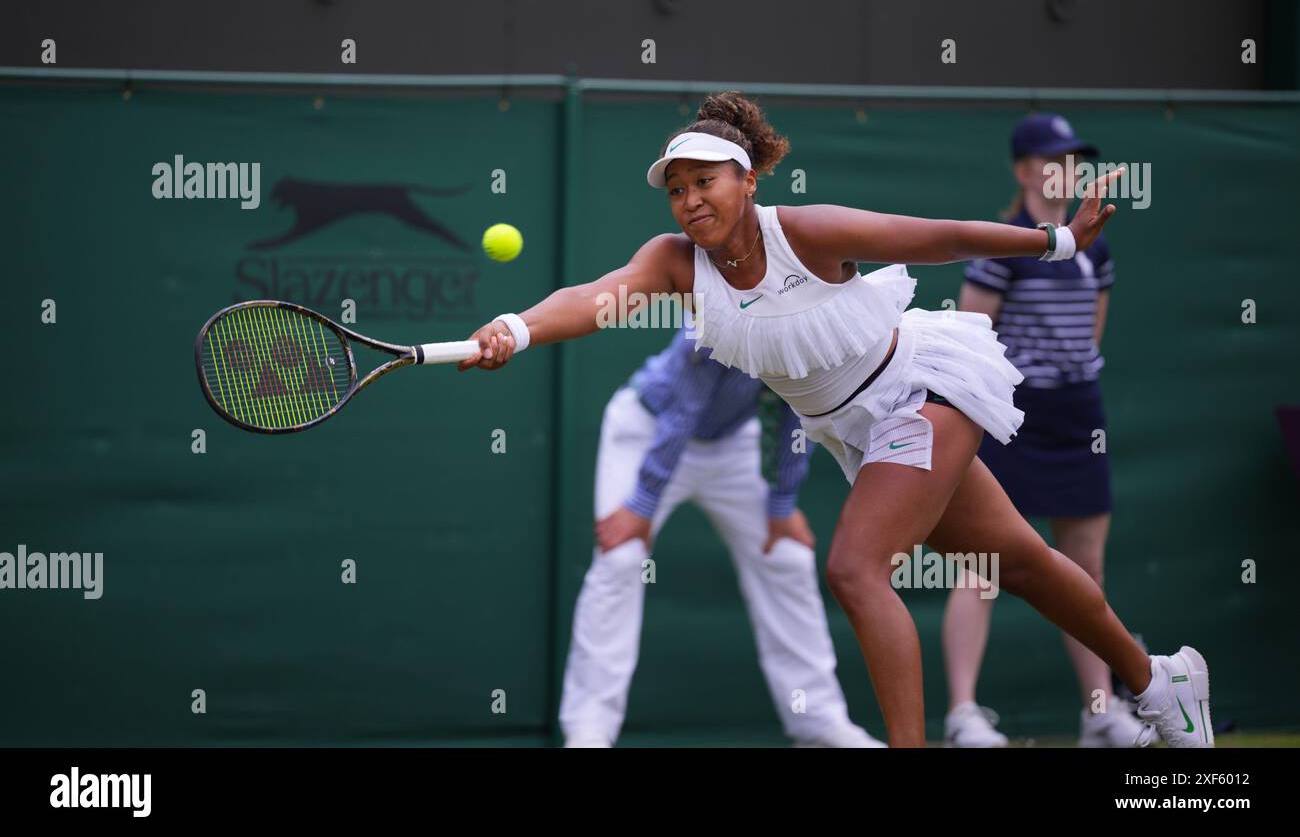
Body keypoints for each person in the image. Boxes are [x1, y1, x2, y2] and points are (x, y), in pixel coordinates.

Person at [457, 91, 1213, 749]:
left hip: (923, 389)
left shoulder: (808, 231)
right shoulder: (674, 262)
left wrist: (1054, 241)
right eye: (677, 189)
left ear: (747, 180)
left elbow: (940, 236)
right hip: (856, 432)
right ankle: (1161, 683)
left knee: (854, 568)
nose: (690, 200)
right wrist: (515, 329)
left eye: (705, 182)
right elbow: (596, 295)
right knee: (1016, 561)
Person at [559, 329, 884, 748]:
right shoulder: (710, 329)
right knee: (620, 560)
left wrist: (780, 505)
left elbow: (798, 416)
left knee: (786, 557)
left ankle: (819, 723)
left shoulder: (811, 328)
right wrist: (641, 506)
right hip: (648, 430)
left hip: (732, 444)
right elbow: (682, 412)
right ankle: (589, 731)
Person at [940, 115, 1145, 748]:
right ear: (1024, 170)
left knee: (1084, 567)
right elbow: (974, 340)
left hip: (1078, 417)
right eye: (1053, 158)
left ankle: (1099, 712)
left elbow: (1092, 336)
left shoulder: (1097, 247)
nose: (1068, 168)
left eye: (1074, 157)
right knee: (982, 566)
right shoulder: (1002, 244)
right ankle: (965, 716)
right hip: (1011, 419)